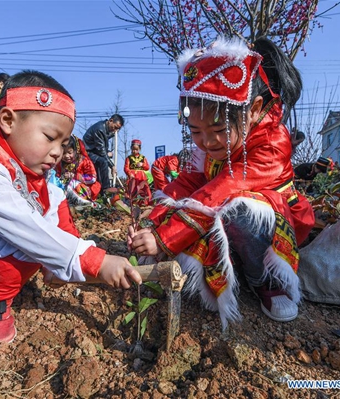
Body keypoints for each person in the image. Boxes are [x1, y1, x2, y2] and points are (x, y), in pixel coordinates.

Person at [0, 70, 142, 346]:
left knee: (54, 197)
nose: (57, 152)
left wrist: (68, 256)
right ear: (8, 120)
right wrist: (95, 261)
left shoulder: (23, 166)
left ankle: (50, 266)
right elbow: (25, 227)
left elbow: (52, 209)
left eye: (64, 144)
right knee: (29, 244)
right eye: (49, 137)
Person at [128, 36, 315, 329]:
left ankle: (264, 279)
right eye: (196, 131)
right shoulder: (212, 143)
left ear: (253, 109)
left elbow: (220, 190)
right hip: (220, 211)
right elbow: (191, 181)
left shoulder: (273, 141)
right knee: (190, 205)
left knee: (240, 211)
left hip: (275, 221)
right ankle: (236, 264)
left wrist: (165, 237)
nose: (207, 141)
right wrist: (152, 220)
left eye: (218, 129)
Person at [82, 114, 124, 195]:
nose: (115, 131)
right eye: (115, 127)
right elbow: (101, 150)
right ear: (111, 121)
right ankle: (106, 188)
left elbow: (106, 138)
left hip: (95, 149)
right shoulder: (99, 129)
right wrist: (112, 166)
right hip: (88, 152)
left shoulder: (105, 128)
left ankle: (102, 189)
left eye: (117, 129)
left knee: (107, 157)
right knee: (103, 161)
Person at [56, 134, 101, 207]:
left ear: (76, 150)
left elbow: (92, 178)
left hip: (83, 188)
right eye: (63, 153)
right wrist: (63, 176)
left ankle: (81, 201)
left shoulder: (84, 161)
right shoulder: (60, 164)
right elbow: (57, 176)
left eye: (70, 152)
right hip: (66, 187)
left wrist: (76, 177)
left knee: (74, 183)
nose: (67, 156)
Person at [124, 139, 152, 206]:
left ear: (139, 149)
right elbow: (126, 168)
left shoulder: (143, 158)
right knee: (132, 189)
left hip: (141, 177)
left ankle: (145, 203)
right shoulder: (129, 158)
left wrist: (142, 165)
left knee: (143, 189)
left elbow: (147, 167)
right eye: (133, 149)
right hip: (132, 176)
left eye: (136, 150)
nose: (134, 151)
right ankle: (132, 203)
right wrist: (129, 173)